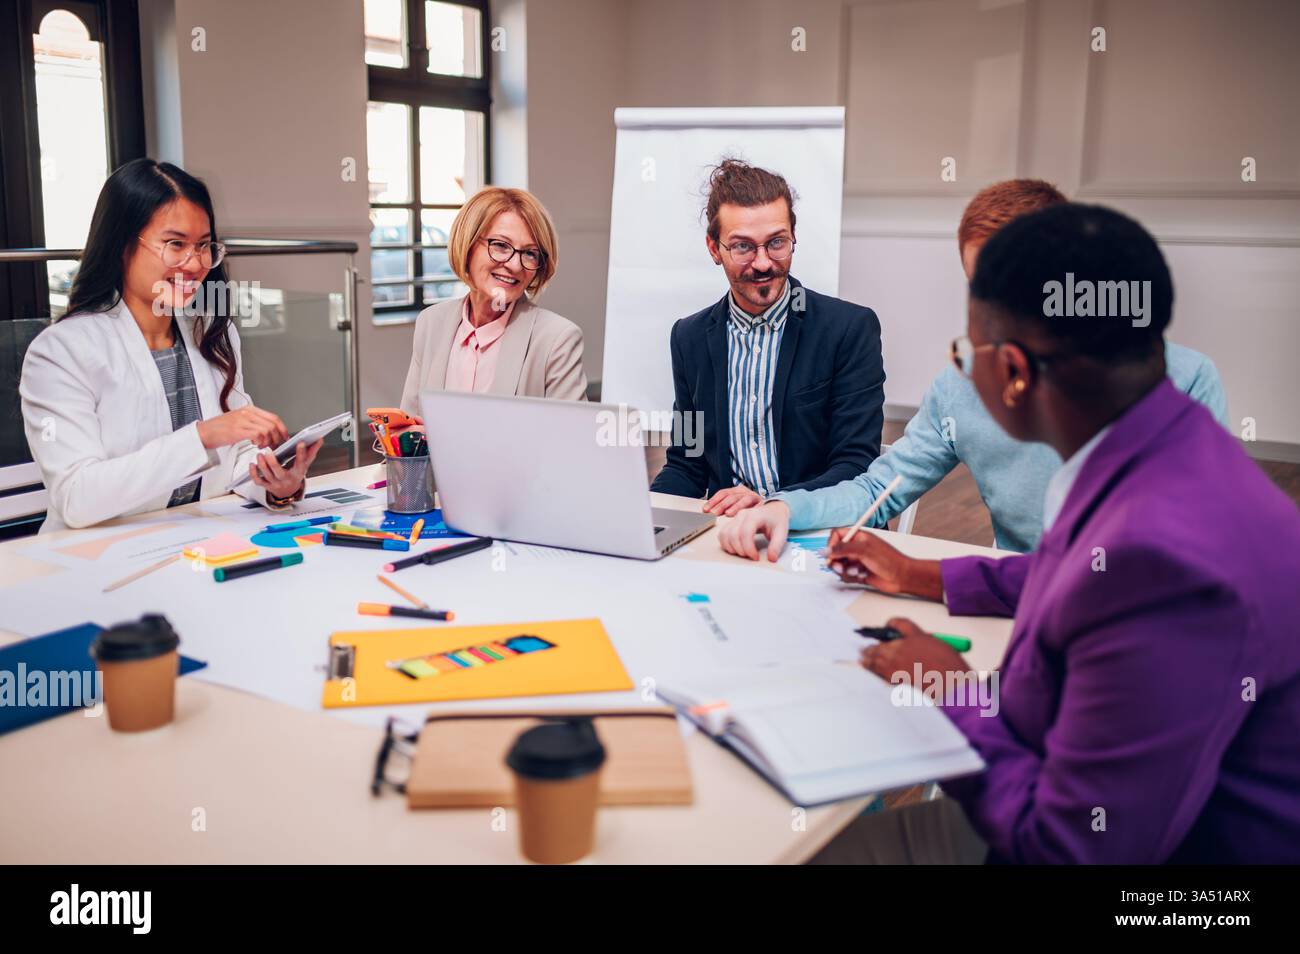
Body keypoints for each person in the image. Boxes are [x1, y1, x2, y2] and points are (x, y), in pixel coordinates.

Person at [825, 203, 1300, 863]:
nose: (961, 372)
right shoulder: (1162, 446)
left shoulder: (1166, 558)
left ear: (1014, 373)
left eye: (966, 355)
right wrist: (917, 575)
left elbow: (1071, 848)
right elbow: (1085, 573)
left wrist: (952, 690)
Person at [719, 179, 1227, 559]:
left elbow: (1198, 542)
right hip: (1013, 608)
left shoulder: (1184, 381)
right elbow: (877, 492)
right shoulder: (961, 388)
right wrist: (784, 506)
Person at [20, 159, 320, 533]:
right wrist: (204, 435)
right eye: (175, 244)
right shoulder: (60, 352)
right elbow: (77, 498)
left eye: (204, 246)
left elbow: (234, 458)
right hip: (97, 560)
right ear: (122, 244)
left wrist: (277, 485)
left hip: (193, 542)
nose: (195, 264)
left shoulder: (211, 332)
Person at [649, 159, 885, 515]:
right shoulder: (690, 338)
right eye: (743, 247)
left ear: (794, 238)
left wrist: (773, 504)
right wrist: (643, 512)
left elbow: (855, 467)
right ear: (714, 249)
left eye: (776, 243)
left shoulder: (848, 329)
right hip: (731, 536)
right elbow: (688, 462)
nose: (762, 263)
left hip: (820, 532)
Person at [397, 186, 587, 417]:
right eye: (501, 245)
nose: (515, 265)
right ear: (467, 244)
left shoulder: (557, 339)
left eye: (529, 253)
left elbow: (568, 443)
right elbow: (408, 430)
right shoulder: (431, 323)